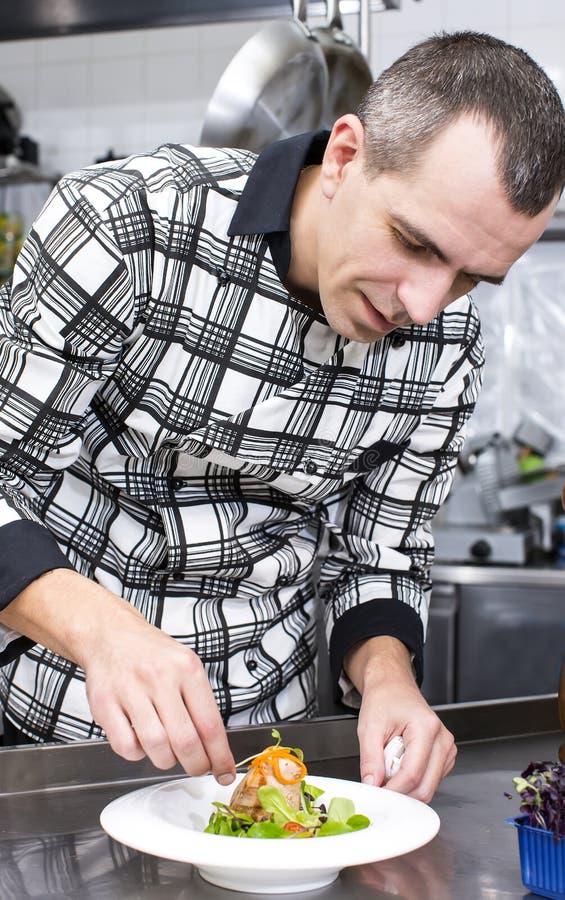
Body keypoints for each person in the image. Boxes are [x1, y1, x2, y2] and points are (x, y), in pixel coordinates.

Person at [0, 31, 563, 802]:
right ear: (342, 156)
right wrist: (106, 633)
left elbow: (382, 557)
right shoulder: (131, 226)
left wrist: (389, 679)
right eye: (414, 243)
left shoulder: (444, 346)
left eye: (471, 278)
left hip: (278, 752)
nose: (424, 305)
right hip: (53, 740)